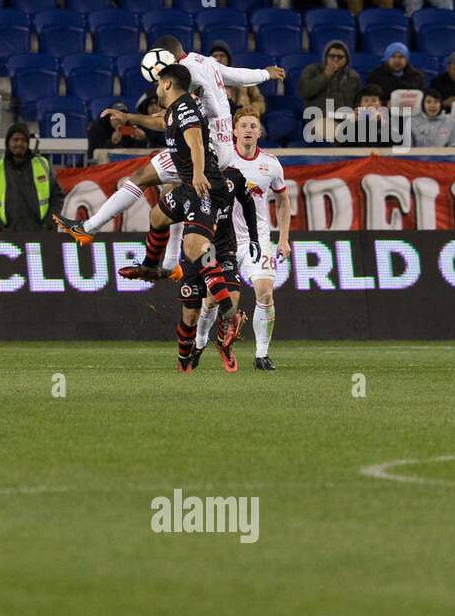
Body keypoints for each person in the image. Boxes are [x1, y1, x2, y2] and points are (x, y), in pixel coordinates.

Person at [53, 36, 284, 257]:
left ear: (164, 56)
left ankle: (88, 227)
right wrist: (265, 74)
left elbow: (201, 109)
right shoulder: (203, 61)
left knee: (141, 176)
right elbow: (234, 75)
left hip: (205, 148)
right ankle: (171, 261)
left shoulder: (188, 77)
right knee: (170, 192)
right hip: (223, 145)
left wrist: (196, 108)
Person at [118, 65, 245, 361]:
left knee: (192, 248)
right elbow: (157, 120)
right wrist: (127, 117)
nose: (156, 89)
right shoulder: (176, 108)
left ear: (167, 83)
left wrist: (199, 173)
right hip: (190, 185)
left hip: (204, 185)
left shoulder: (185, 108)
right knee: (157, 217)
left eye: (158, 83)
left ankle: (230, 314)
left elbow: (196, 141)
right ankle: (150, 268)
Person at [190, 107, 289, 372]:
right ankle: (199, 343)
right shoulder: (221, 160)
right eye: (243, 125)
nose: (248, 130)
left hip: (257, 239)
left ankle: (261, 355)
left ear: (259, 131)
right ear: (233, 131)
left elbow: (282, 200)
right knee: (212, 299)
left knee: (265, 293)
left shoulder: (271, 164)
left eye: (252, 126)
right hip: (222, 241)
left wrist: (284, 239)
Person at [0, 120, 64, 233]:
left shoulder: (43, 165)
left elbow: (57, 197)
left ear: (28, 143)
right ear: (8, 142)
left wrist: (48, 223)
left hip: (40, 235)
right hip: (6, 237)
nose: (19, 143)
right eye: (15, 139)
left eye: (23, 140)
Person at [297, 40, 360, 143]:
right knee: (333, 130)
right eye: (332, 56)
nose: (335, 59)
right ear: (326, 57)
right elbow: (304, 91)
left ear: (346, 60)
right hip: (319, 119)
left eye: (340, 57)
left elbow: (358, 100)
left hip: (346, 119)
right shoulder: (312, 70)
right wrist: (325, 75)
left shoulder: (353, 76)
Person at [208, 41, 265, 116]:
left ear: (228, 58)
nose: (218, 59)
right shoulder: (206, 79)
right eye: (215, 56)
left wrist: (249, 112)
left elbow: (259, 100)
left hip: (245, 118)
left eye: (222, 56)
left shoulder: (242, 75)